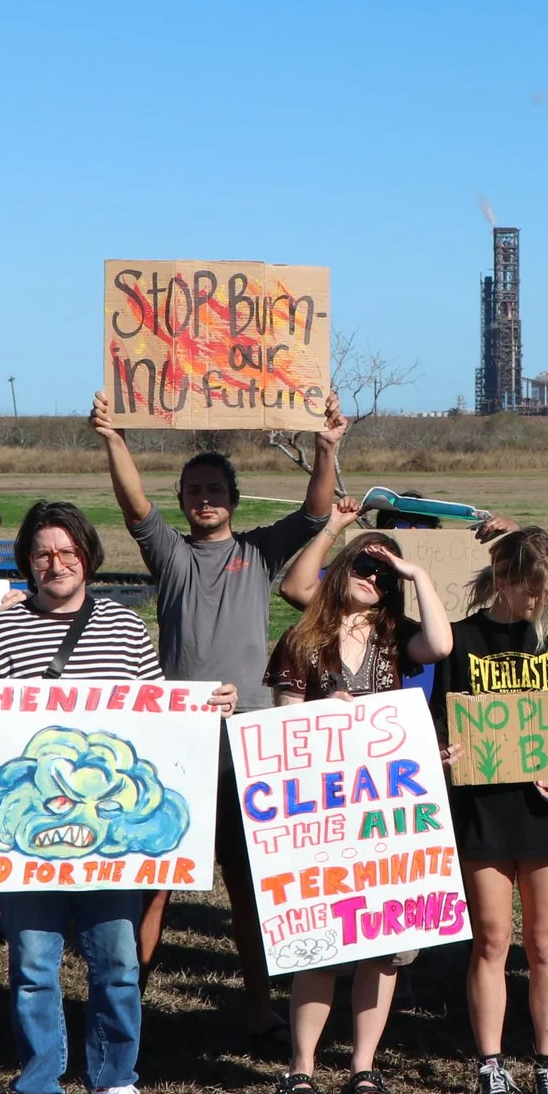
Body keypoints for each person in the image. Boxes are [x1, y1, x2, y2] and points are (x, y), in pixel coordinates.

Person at [91, 388, 343, 1037]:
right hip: (177, 744)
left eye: (214, 489)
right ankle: (128, 1010)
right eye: (193, 489)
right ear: (182, 500)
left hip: (248, 743)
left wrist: (326, 447)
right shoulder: (171, 555)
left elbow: (316, 512)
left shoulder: (258, 552)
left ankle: (260, 1007)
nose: (204, 498)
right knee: (155, 882)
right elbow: (132, 505)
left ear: (232, 497)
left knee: (247, 886)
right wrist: (114, 438)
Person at [0, 500, 175, 1094]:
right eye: (43, 554)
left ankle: (112, 1079)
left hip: (112, 837)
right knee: (33, 966)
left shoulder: (126, 628)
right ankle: (40, 1087)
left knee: (118, 962)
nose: (56, 564)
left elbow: (156, 725)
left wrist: (208, 710)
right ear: (27, 563)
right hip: (26, 840)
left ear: (89, 557)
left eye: (68, 553)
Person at [260, 511, 454, 1094]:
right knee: (319, 941)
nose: (373, 576)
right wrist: (322, 713)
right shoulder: (301, 641)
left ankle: (364, 1067)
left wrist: (415, 572)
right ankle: (301, 1068)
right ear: (341, 568)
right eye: (364, 564)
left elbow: (442, 644)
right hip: (322, 811)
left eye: (383, 572)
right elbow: (281, 723)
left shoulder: (397, 639)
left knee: (383, 945)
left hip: (383, 813)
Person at [431, 527, 548, 1094]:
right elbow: (439, 724)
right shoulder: (461, 639)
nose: (539, 603)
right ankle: (491, 1064)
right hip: (484, 808)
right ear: (502, 579)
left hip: (546, 808)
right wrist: (445, 751)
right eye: (531, 590)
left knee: (547, 941)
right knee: (492, 939)